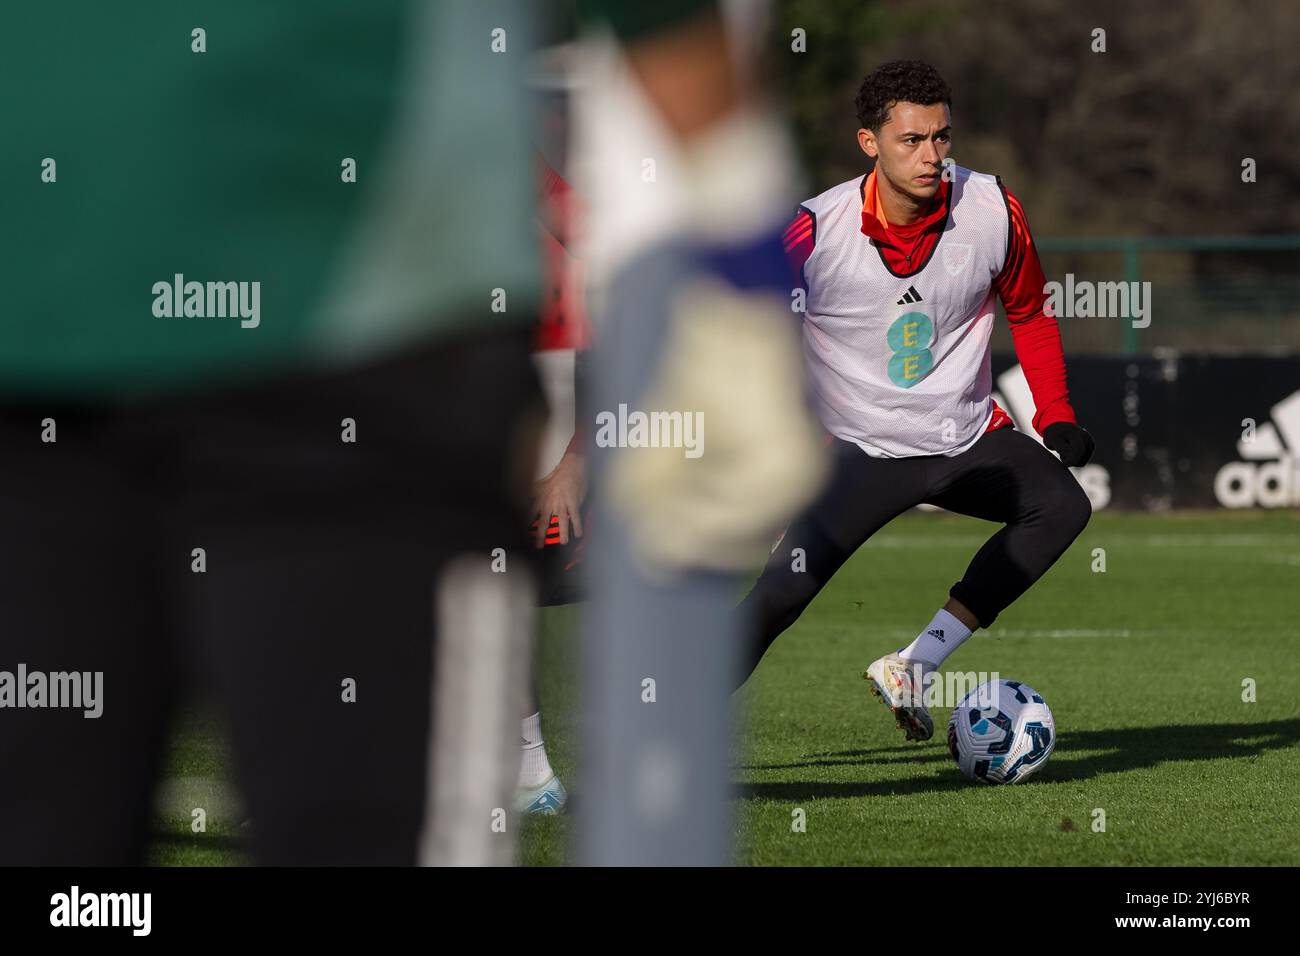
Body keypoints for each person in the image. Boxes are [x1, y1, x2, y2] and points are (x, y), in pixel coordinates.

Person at [737, 60, 1095, 741]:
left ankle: (915, 665)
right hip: (856, 449)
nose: (932, 156)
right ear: (869, 142)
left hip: (964, 438)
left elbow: (1033, 311)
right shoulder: (815, 230)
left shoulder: (992, 208)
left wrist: (1056, 414)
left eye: (942, 137)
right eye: (911, 140)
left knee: (1062, 507)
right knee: (775, 601)